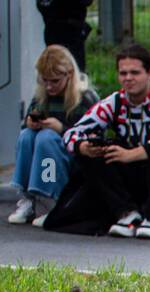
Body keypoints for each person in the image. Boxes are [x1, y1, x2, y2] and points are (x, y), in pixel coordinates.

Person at [55, 44, 150, 239]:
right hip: (135, 177)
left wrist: (133, 154)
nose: (128, 78)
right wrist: (83, 147)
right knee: (95, 151)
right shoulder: (114, 102)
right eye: (123, 73)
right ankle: (127, 214)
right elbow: (71, 134)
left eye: (134, 72)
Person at [8, 45, 97, 227]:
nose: (49, 86)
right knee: (26, 135)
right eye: (44, 80)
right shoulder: (41, 97)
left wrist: (62, 129)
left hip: (72, 159)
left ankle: (51, 201)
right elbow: (28, 119)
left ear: (69, 75)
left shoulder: (85, 98)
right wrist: (31, 123)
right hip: (44, 156)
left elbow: (93, 135)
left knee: (46, 138)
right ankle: (28, 198)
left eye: (55, 81)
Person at [36, 0, 92, 71]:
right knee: (55, 69)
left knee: (76, 70)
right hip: (54, 32)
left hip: (74, 34)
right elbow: (42, 5)